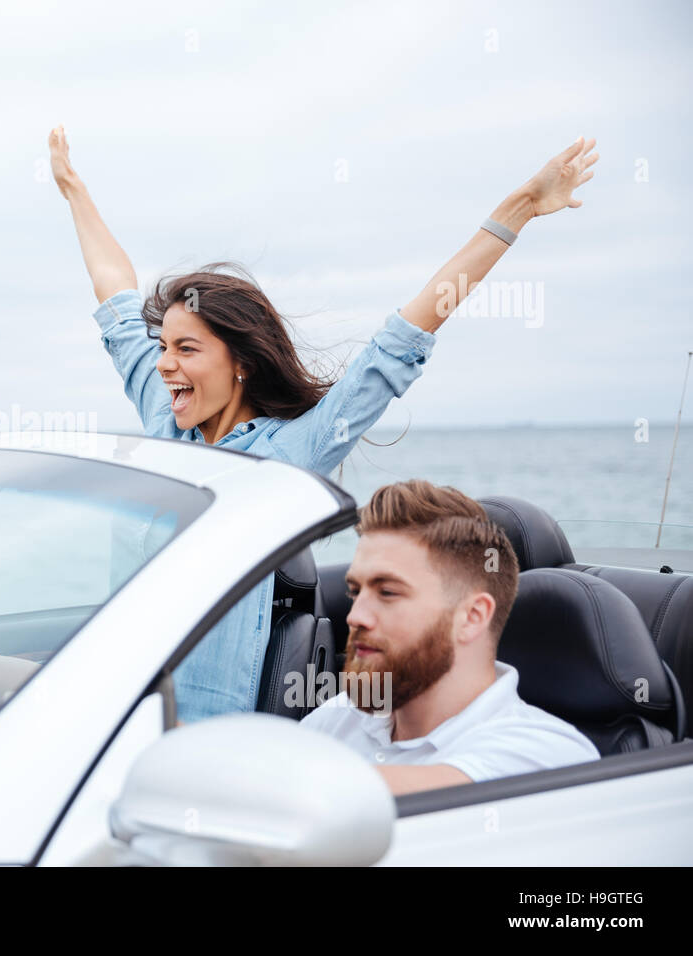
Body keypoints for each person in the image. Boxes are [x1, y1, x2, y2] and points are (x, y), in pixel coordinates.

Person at [48, 125, 598, 723]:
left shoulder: (284, 456)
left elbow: (399, 343)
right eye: (163, 347)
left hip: (189, 726)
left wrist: (514, 212)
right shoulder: (164, 415)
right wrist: (74, 190)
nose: (163, 363)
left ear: (241, 364)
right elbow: (116, 296)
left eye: (186, 349)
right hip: (110, 693)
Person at [301, 479, 600, 795]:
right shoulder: (343, 716)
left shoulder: (549, 754)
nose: (354, 616)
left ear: (472, 617)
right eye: (355, 591)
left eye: (387, 592)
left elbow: (332, 793)